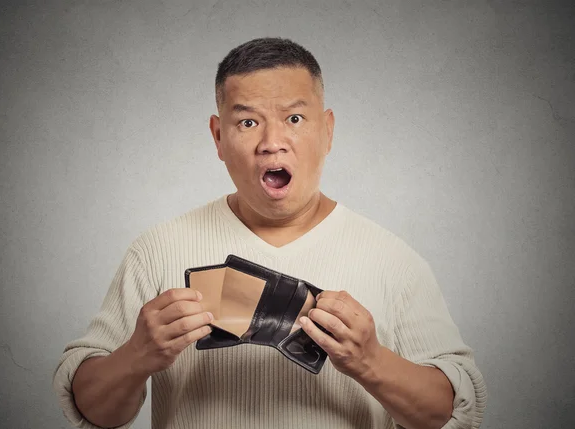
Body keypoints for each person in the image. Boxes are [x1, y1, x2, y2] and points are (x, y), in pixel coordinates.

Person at [53, 37, 487, 429]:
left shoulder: (393, 260)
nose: (272, 142)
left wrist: (370, 360)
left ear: (328, 130)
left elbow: (451, 414)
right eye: (247, 123)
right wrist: (136, 356)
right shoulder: (156, 251)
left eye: (295, 118)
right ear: (218, 137)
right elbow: (92, 410)